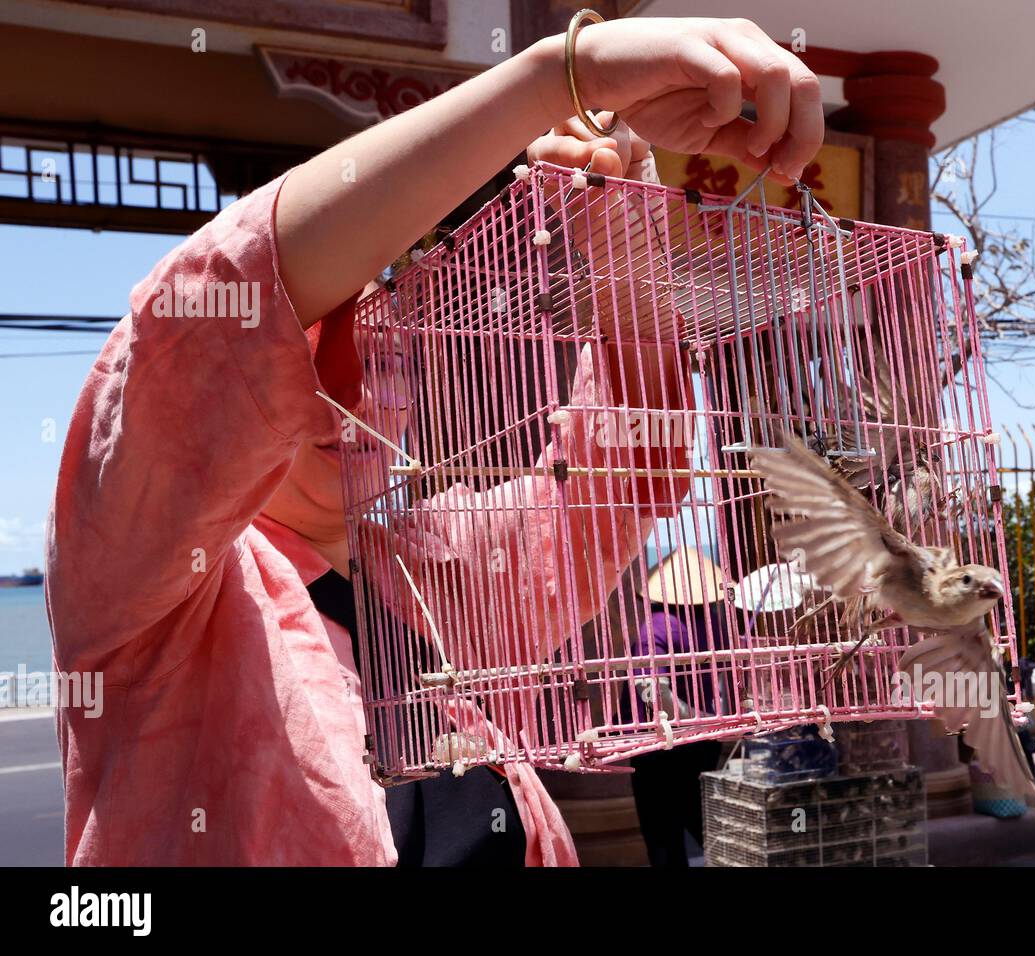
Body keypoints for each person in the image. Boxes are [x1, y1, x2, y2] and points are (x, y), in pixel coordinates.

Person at [45, 15, 823, 866]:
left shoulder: (432, 567)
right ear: (243, 397)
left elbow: (628, 471)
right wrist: (557, 78)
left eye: (386, 359)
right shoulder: (165, 588)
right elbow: (204, 316)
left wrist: (613, 218)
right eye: (312, 357)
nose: (354, 396)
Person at [628, 546, 732, 867]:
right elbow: (730, 678)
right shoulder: (715, 626)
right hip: (703, 746)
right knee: (711, 833)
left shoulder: (655, 627)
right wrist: (711, 722)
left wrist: (690, 718)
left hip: (659, 750)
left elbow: (652, 692)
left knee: (664, 842)